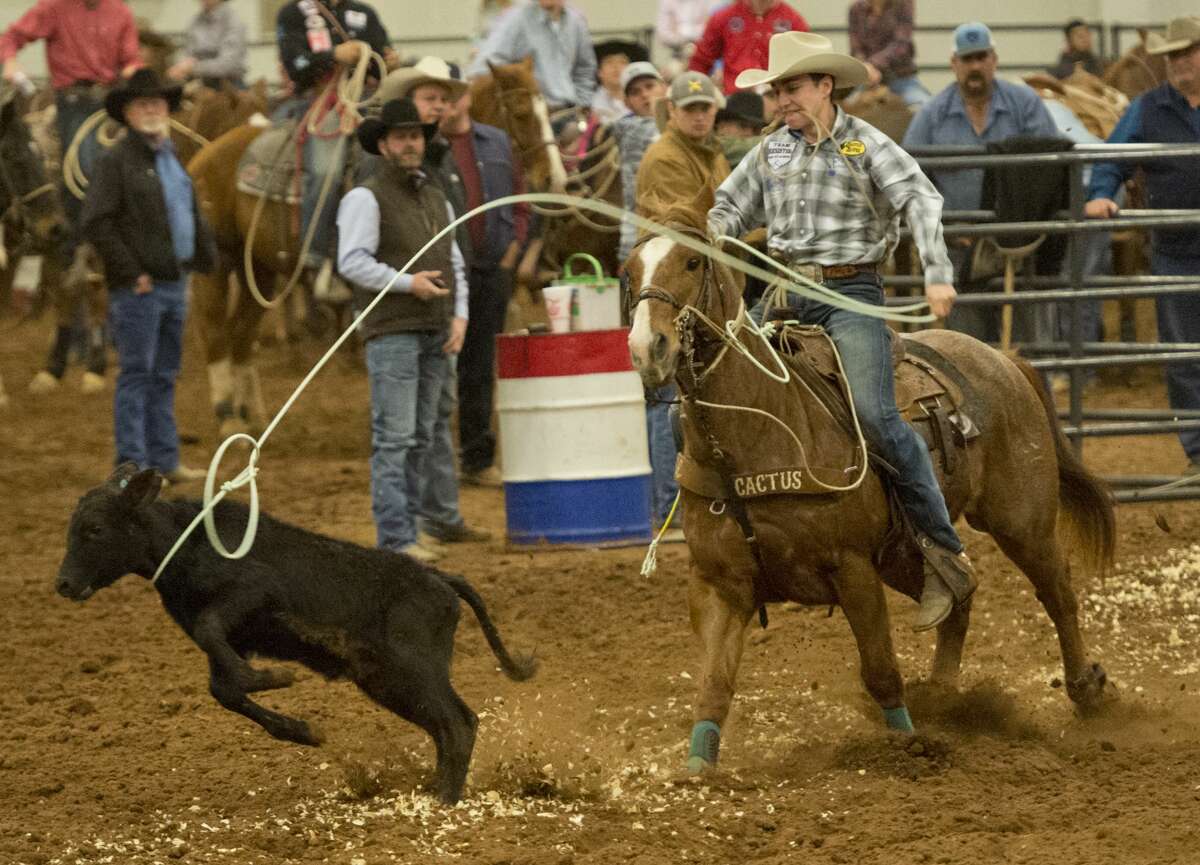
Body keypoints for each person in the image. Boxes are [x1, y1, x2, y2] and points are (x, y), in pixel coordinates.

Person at [708, 31, 976, 631]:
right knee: (715, 389)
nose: (782, 100)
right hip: (782, 294)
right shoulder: (772, 151)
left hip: (849, 293)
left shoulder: (865, 144)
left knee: (876, 416)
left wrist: (937, 273)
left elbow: (920, 200)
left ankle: (942, 548)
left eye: (793, 87)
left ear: (825, 86)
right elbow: (727, 206)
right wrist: (715, 232)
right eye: (776, 91)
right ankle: (740, 542)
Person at [336, 98, 470, 562]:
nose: (410, 143)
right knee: (396, 437)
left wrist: (460, 314)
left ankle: (410, 528)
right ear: (384, 144)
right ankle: (396, 537)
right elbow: (352, 261)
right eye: (401, 136)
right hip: (392, 329)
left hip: (435, 327)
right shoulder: (364, 196)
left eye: (416, 135)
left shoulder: (435, 195)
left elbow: (453, 259)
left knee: (420, 435)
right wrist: (406, 283)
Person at [80, 69, 216, 484]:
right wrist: (131, 271)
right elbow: (97, 223)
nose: (154, 110)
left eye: (158, 103)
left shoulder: (170, 159)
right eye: (144, 105)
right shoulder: (116, 161)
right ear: (128, 113)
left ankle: (165, 461)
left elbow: (189, 213)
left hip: (174, 283)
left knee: (163, 375)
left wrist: (201, 259)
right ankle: (132, 464)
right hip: (140, 287)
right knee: (139, 375)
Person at [376, 58, 491, 544]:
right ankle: (407, 530)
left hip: (441, 309)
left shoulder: (441, 161)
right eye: (430, 97)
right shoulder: (376, 176)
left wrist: (458, 309)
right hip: (400, 314)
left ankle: (439, 516)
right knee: (404, 432)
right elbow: (360, 252)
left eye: (444, 98)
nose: (439, 105)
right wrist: (407, 283)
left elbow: (452, 241)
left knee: (431, 422)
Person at [1085, 16, 1200, 475]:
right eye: (1172, 55)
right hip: (1175, 249)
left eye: (1186, 52)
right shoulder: (1148, 107)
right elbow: (1113, 154)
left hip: (1178, 247)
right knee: (1182, 353)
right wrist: (1100, 194)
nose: (1178, 63)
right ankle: (1198, 452)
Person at [902, 22, 1061, 341]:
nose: (974, 66)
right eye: (967, 59)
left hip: (1016, 242)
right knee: (970, 346)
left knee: (1026, 346)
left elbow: (1050, 163)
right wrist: (944, 227)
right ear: (954, 64)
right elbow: (908, 175)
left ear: (994, 60)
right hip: (960, 243)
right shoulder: (933, 114)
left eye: (981, 57)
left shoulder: (1025, 104)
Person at [635, 71, 730, 543]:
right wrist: (755, 236)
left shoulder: (709, 153)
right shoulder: (666, 158)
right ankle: (668, 508)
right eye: (688, 109)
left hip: (689, 289)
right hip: (670, 290)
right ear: (671, 111)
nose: (697, 115)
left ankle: (684, 502)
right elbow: (690, 225)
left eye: (704, 108)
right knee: (667, 397)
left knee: (682, 395)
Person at [440, 82, 530, 488]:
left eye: (455, 94)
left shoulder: (496, 141)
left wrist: (513, 246)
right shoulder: (428, 146)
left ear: (467, 98)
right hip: (442, 273)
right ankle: (441, 462)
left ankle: (476, 458)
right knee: (441, 365)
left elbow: (519, 197)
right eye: (441, 97)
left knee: (478, 365)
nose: (450, 103)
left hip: (490, 266)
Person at [0, 0, 141, 255]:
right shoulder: (54, 7)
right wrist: (10, 61)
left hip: (112, 99)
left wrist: (135, 73)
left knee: (146, 155)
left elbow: (131, 58)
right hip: (73, 100)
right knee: (81, 166)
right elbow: (11, 37)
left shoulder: (119, 11)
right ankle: (75, 244)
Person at [275, 0, 397, 283]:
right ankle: (315, 254)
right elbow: (296, 66)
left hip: (365, 103)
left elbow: (380, 61)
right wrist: (334, 56)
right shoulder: (293, 13)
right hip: (319, 103)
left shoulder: (365, 14)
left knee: (390, 160)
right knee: (324, 172)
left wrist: (389, 62)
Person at [468, 0, 596, 111]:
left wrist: (582, 105)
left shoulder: (576, 21)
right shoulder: (516, 19)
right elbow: (483, 67)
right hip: (532, 114)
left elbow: (585, 69)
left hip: (570, 110)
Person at [688, 0, 810, 96]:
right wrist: (695, 91)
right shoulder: (723, 17)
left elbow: (805, 66)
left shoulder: (794, 21)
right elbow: (700, 61)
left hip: (775, 100)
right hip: (734, 100)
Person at [613, 61, 668, 266]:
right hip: (642, 239)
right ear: (627, 103)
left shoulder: (682, 120)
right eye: (636, 92)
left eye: (649, 86)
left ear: (664, 88)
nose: (645, 95)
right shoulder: (633, 131)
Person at [847, 0, 931, 107]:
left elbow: (901, 45)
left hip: (901, 78)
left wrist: (872, 65)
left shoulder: (903, 4)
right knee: (841, 112)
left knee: (924, 107)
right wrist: (865, 68)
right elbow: (856, 48)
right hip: (867, 81)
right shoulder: (856, 9)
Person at [167, 0, 248, 89]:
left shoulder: (233, 22)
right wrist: (180, 68)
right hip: (200, 83)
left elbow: (227, 65)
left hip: (229, 85)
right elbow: (189, 55)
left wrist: (193, 68)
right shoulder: (195, 21)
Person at [591, 39, 646, 124]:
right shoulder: (589, 102)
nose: (616, 67)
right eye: (609, 62)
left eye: (622, 62)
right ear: (599, 72)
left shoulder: (643, 97)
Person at [715, 89, 766, 167]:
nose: (749, 133)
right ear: (722, 126)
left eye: (755, 129)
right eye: (743, 126)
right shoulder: (710, 148)